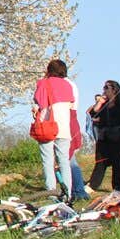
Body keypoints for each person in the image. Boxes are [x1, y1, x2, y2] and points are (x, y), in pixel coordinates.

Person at [33, 59, 77, 199]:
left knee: (48, 160)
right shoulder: (68, 85)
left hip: (47, 126)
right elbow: (71, 105)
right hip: (64, 127)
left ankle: (51, 193)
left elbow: (39, 103)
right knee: (64, 160)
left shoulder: (43, 83)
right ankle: (67, 194)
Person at [87, 80, 120, 193]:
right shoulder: (104, 105)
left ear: (114, 89)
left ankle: (118, 188)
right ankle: (93, 185)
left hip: (119, 137)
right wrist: (100, 102)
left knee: (118, 163)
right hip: (104, 137)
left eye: (106, 87)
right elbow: (93, 114)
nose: (104, 90)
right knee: (100, 161)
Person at [67, 74, 89, 202]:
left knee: (70, 161)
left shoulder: (65, 85)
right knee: (69, 160)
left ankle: (78, 190)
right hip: (70, 120)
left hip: (65, 121)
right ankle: (77, 189)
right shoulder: (71, 84)